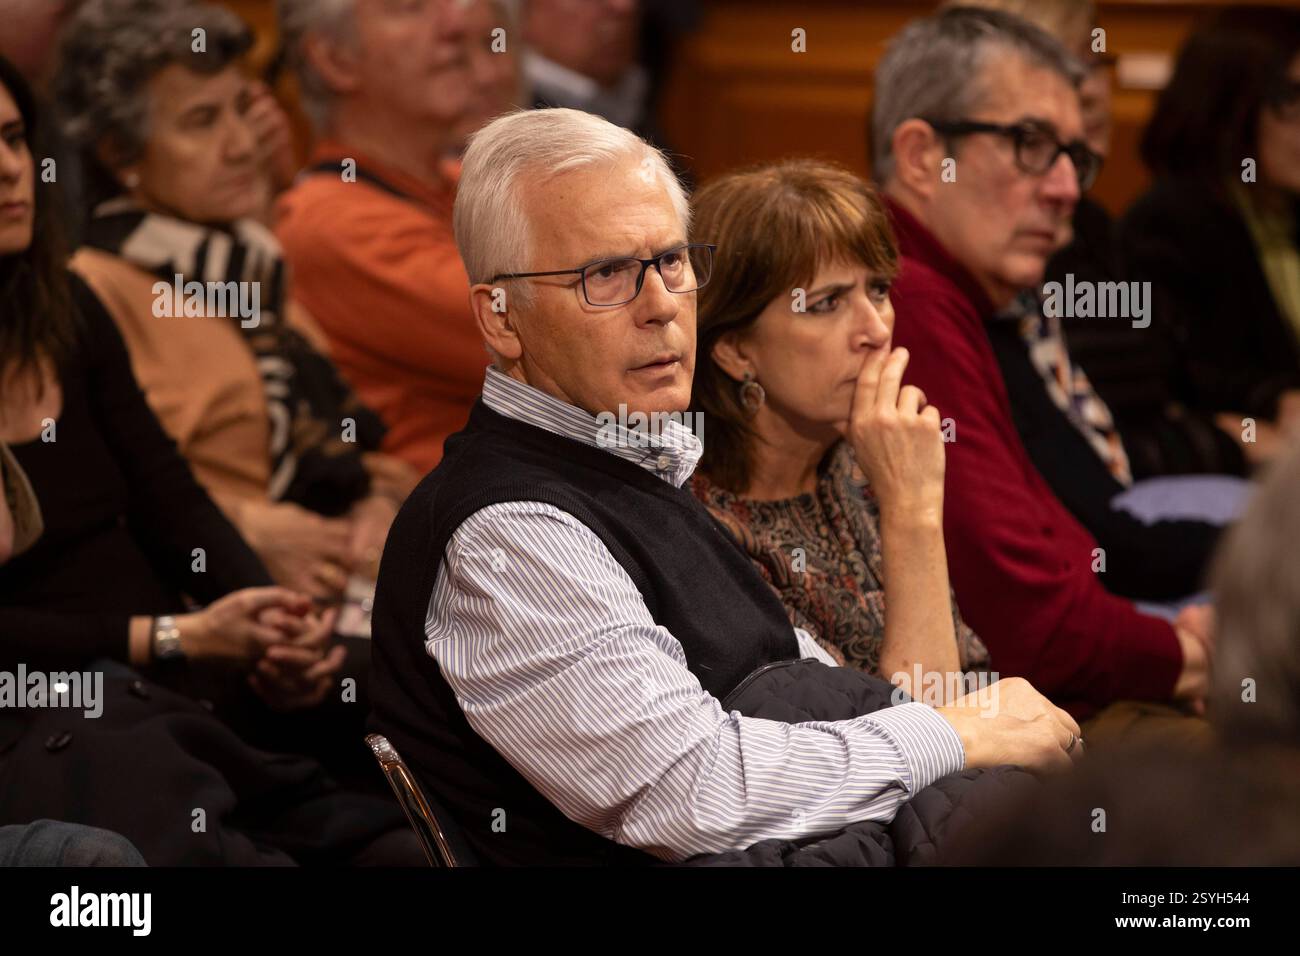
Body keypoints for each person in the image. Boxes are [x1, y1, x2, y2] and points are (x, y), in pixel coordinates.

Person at [369, 106, 1083, 868]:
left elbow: (832, 708)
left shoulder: (636, 470)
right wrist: (956, 736)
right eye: (605, 274)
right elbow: (690, 792)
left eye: (672, 262)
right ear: (501, 319)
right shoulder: (508, 530)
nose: (660, 306)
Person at [0, 52, 416, 864]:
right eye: (200, 120)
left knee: (411, 706)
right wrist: (173, 634)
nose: (8, 168)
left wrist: (270, 621)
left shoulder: (66, 308)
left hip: (172, 678)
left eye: (15, 138)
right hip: (54, 706)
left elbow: (172, 500)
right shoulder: (112, 276)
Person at [869, 7, 1213, 729]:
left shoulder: (953, 292)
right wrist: (1184, 657)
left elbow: (1057, 557)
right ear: (922, 156)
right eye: (1029, 143)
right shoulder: (908, 299)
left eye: (1075, 157)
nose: (1066, 188)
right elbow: (1024, 623)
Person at [55, 0, 415, 610]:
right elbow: (77, 494)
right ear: (121, 155)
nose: (243, 145)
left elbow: (362, 453)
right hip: (200, 612)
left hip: (342, 599)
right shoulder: (90, 291)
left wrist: (376, 511)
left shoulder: (252, 264)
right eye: (201, 121)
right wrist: (246, 527)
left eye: (243, 109)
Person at [687, 158, 988, 688]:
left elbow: (969, 675)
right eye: (826, 303)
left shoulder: (863, 459)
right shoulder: (702, 531)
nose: (875, 329)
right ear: (735, 350)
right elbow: (928, 723)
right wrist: (912, 512)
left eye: (877, 290)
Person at [275, 0, 486, 473]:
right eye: (410, 8)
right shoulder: (328, 224)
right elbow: (564, 335)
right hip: (481, 529)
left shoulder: (459, 181)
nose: (457, 21)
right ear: (335, 60)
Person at [1122, 6, 1300, 466]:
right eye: (1291, 100)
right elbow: (1178, 375)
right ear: (1230, 104)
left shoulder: (1285, 210)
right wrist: (1275, 399)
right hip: (1232, 472)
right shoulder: (1172, 221)